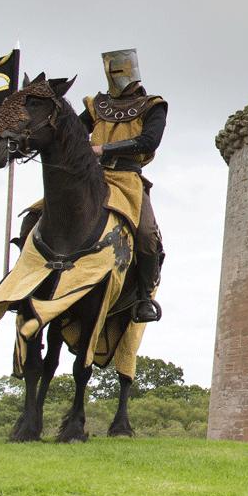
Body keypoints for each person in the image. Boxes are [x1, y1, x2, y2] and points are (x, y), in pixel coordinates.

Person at [81, 48, 168, 323]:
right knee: (40, 213)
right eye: (110, 70)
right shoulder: (97, 105)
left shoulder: (153, 106)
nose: (113, 75)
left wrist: (102, 149)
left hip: (128, 179)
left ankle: (144, 297)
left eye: (117, 70)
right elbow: (73, 131)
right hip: (93, 178)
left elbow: (148, 142)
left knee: (146, 236)